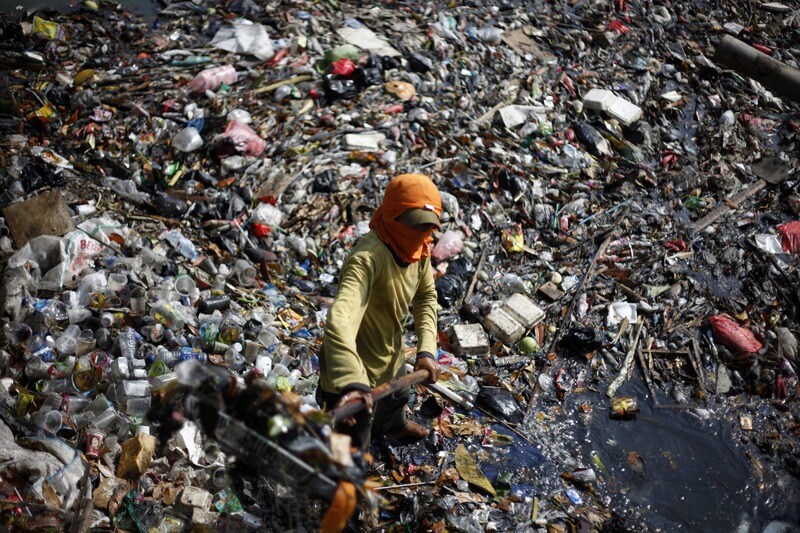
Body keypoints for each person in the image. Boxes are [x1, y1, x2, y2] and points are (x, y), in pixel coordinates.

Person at [316, 174, 442, 451]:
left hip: (390, 354)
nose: (422, 236)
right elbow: (341, 318)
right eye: (415, 227)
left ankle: (393, 427)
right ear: (392, 216)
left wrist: (426, 351)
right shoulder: (368, 259)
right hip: (354, 370)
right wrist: (353, 383)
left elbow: (426, 296)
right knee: (354, 435)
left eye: (428, 229)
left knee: (398, 397)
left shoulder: (420, 248)